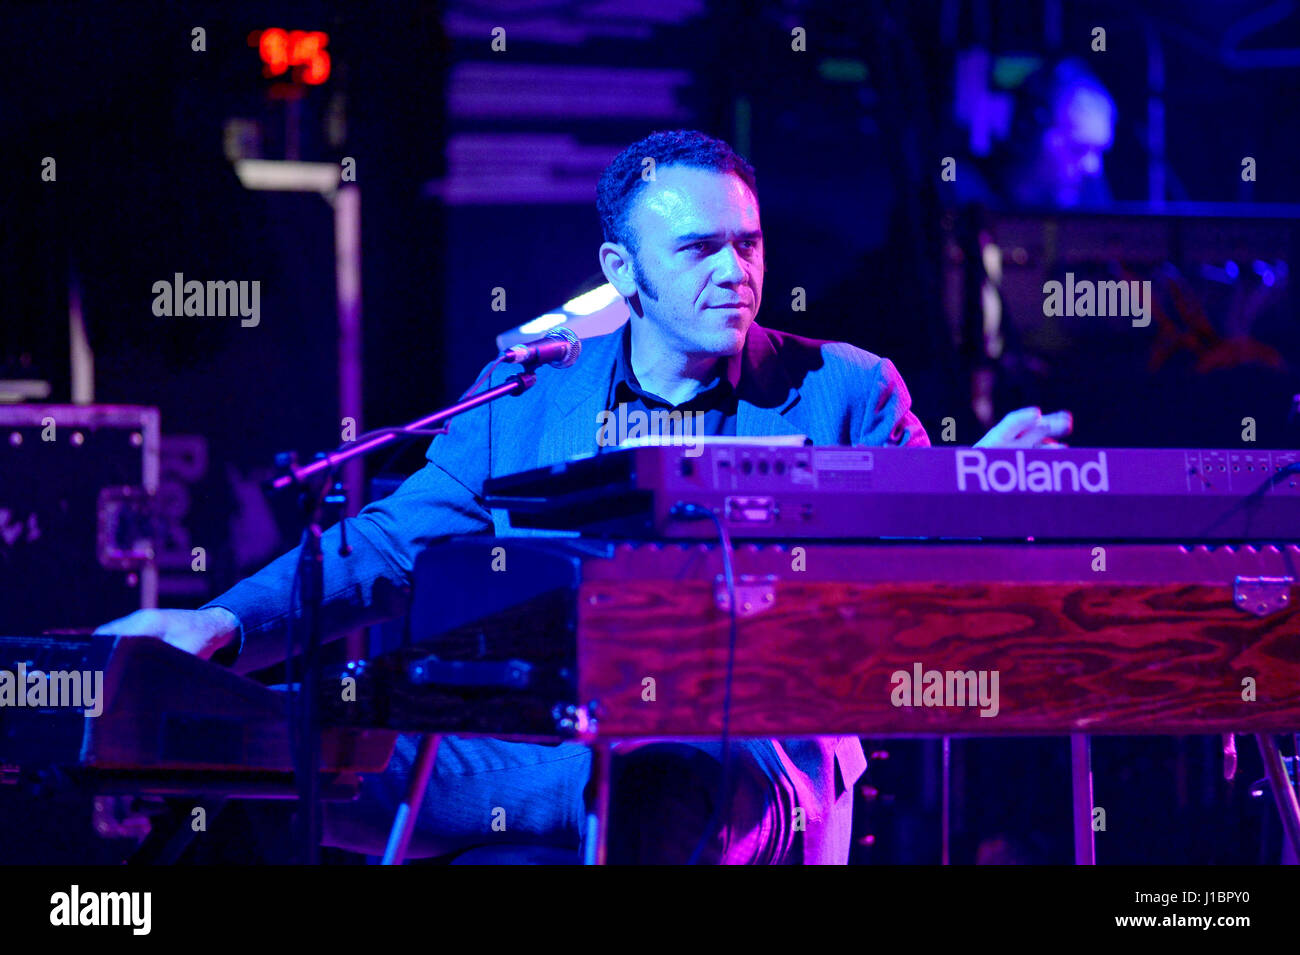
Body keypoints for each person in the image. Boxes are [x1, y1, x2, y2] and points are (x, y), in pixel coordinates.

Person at [98, 129, 1070, 864]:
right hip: (537, 748)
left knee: (653, 777)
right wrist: (217, 623)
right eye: (699, 250)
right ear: (621, 272)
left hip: (749, 757)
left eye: (748, 243)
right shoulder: (531, 392)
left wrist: (970, 490)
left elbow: (920, 566)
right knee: (281, 745)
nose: (736, 272)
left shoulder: (847, 388)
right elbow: (388, 545)